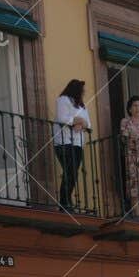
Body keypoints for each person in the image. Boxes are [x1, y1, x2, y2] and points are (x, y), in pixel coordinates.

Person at [54, 79, 90, 212]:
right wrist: (78, 120)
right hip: (64, 142)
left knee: (73, 173)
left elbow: (88, 123)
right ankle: (64, 203)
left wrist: (81, 123)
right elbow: (62, 118)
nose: (83, 93)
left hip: (77, 143)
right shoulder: (63, 100)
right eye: (82, 90)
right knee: (69, 172)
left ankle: (67, 200)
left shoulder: (82, 106)